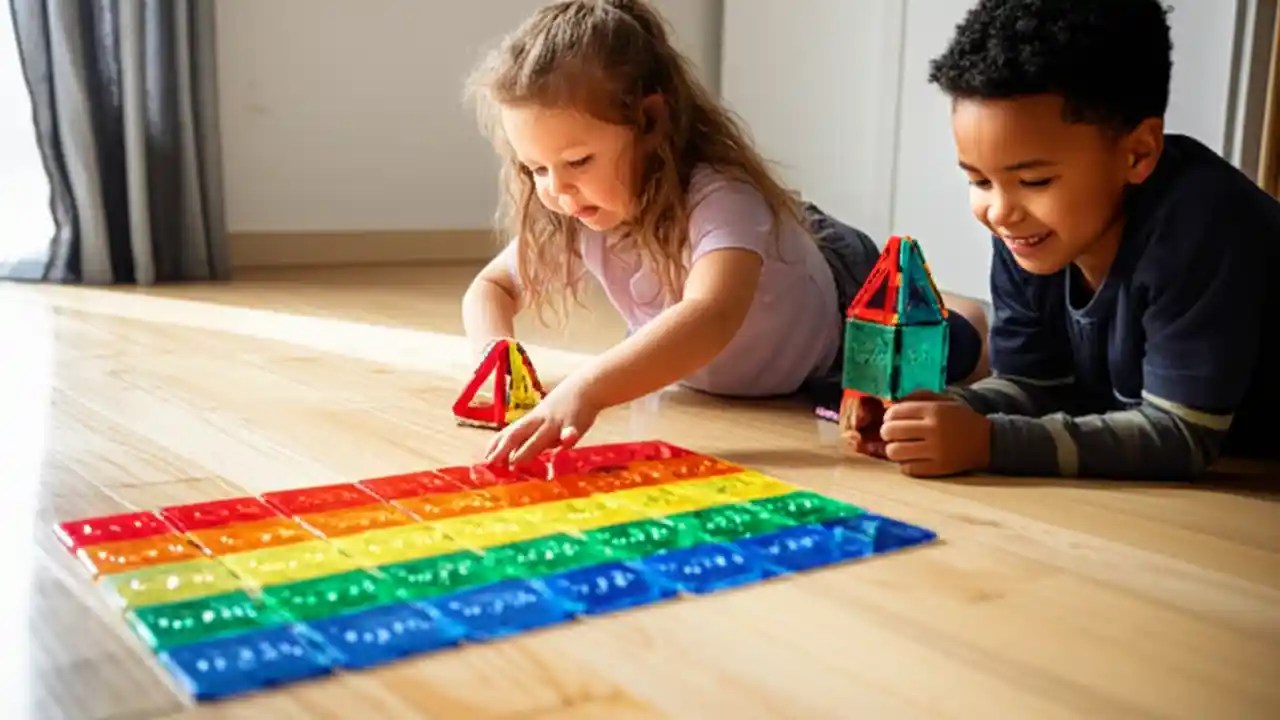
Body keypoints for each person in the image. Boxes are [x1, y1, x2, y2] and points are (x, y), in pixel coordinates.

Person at [460, 0, 990, 465]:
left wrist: (587, 389)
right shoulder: (577, 208)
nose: (556, 190)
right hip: (742, 338)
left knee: (949, 355)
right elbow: (491, 287)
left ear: (649, 121)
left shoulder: (722, 196)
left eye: (577, 160)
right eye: (536, 168)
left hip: (832, 310)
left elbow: (711, 314)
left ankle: (963, 308)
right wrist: (496, 353)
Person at [851, 0, 1280, 479]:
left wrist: (988, 442)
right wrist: (935, 412)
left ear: (1138, 153)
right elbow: (1036, 385)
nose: (999, 211)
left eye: (1035, 182)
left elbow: (1181, 434)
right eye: (980, 181)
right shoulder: (1028, 230)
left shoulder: (1204, 223)